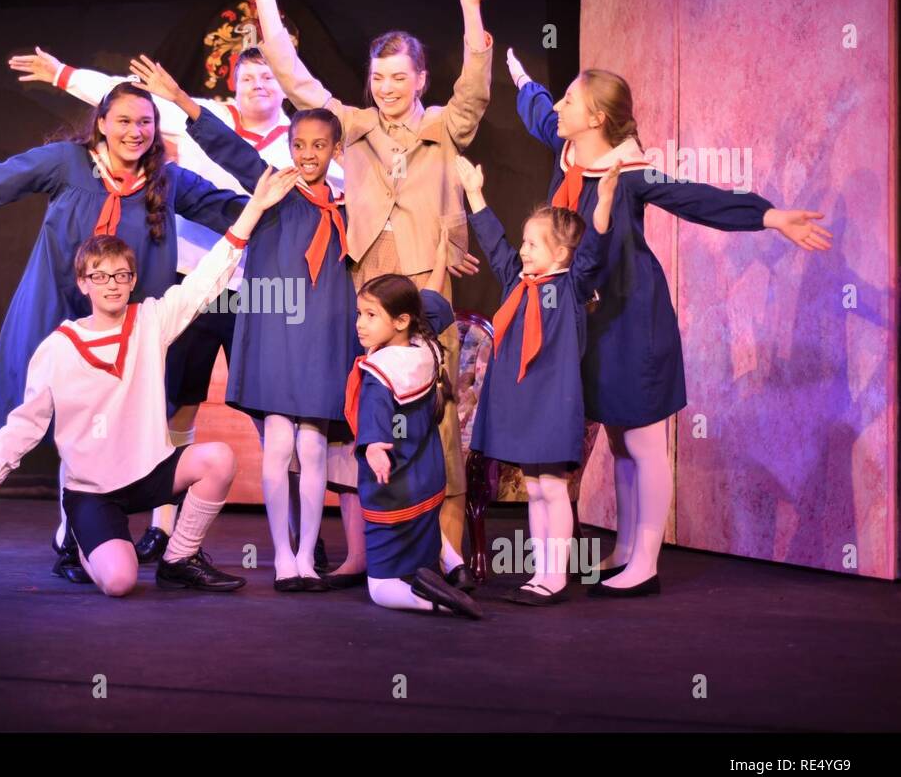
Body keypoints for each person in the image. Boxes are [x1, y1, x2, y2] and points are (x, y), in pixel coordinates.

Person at [0, 81, 248, 582]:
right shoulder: (67, 164)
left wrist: (292, 207)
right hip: (57, 311)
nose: (135, 132)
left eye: (145, 123)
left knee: (119, 422)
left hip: (129, 325)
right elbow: (1, 179)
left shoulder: (167, 180)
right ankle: (73, 537)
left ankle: (111, 539)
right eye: (123, 120)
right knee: (70, 422)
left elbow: (228, 208)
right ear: (100, 122)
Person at [232, 0, 513, 591]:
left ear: (418, 78)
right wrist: (267, 6)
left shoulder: (444, 127)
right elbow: (297, 80)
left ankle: (444, 556)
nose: (385, 87)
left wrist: (470, 7)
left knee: (434, 421)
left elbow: (475, 86)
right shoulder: (352, 128)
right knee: (364, 421)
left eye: (397, 77)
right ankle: (366, 554)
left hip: (425, 293)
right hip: (361, 294)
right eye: (377, 77)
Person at [505, 50, 833, 595]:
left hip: (635, 316)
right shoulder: (568, 152)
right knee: (616, 435)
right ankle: (627, 548)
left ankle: (647, 563)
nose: (559, 107)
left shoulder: (631, 174)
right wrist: (509, 64)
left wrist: (770, 215)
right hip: (593, 317)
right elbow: (538, 110)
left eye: (570, 100)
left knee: (644, 438)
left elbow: (694, 199)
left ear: (597, 119)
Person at [10, 45, 347, 566]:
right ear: (233, 81)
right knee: (171, 404)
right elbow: (120, 105)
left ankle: (303, 535)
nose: (259, 84)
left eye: (268, 76)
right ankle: (162, 530)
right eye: (248, 75)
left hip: (260, 294)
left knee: (275, 415)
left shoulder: (306, 140)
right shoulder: (194, 114)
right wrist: (61, 73)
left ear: (283, 85)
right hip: (195, 282)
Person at [0, 165, 303, 596]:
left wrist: (254, 208)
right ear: (84, 283)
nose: (113, 285)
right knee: (120, 582)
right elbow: (25, 425)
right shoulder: (58, 348)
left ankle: (179, 557)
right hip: (94, 491)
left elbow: (205, 281)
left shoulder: (151, 322)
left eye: (121, 275)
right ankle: (83, 540)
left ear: (133, 280)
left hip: (148, 474)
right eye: (100, 276)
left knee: (218, 458)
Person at [127, 55, 363, 591]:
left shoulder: (352, 207)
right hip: (277, 338)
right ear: (288, 149)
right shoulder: (273, 191)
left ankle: (307, 551)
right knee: (278, 444)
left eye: (319, 147)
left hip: (325, 341)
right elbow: (228, 148)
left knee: (313, 449)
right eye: (299, 146)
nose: (307, 156)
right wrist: (184, 101)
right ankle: (283, 556)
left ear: (336, 151)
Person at [462, 156, 618, 604]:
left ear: (561, 254)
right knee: (533, 489)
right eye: (525, 242)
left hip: (552, 403)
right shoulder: (517, 282)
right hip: (518, 402)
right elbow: (495, 244)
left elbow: (594, 250)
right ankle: (539, 572)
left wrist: (604, 200)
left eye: (534, 244)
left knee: (553, 488)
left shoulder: (570, 287)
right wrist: (475, 193)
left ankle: (554, 575)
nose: (524, 250)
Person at [345, 240, 482, 619]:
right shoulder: (425, 342)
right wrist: (439, 261)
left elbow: (374, 419)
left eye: (371, 315)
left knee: (382, 589)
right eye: (359, 313)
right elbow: (432, 298)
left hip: (395, 485)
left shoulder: (381, 373)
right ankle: (452, 565)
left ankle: (436, 601)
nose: (360, 323)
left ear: (400, 320)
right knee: (423, 536)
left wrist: (373, 448)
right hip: (428, 479)